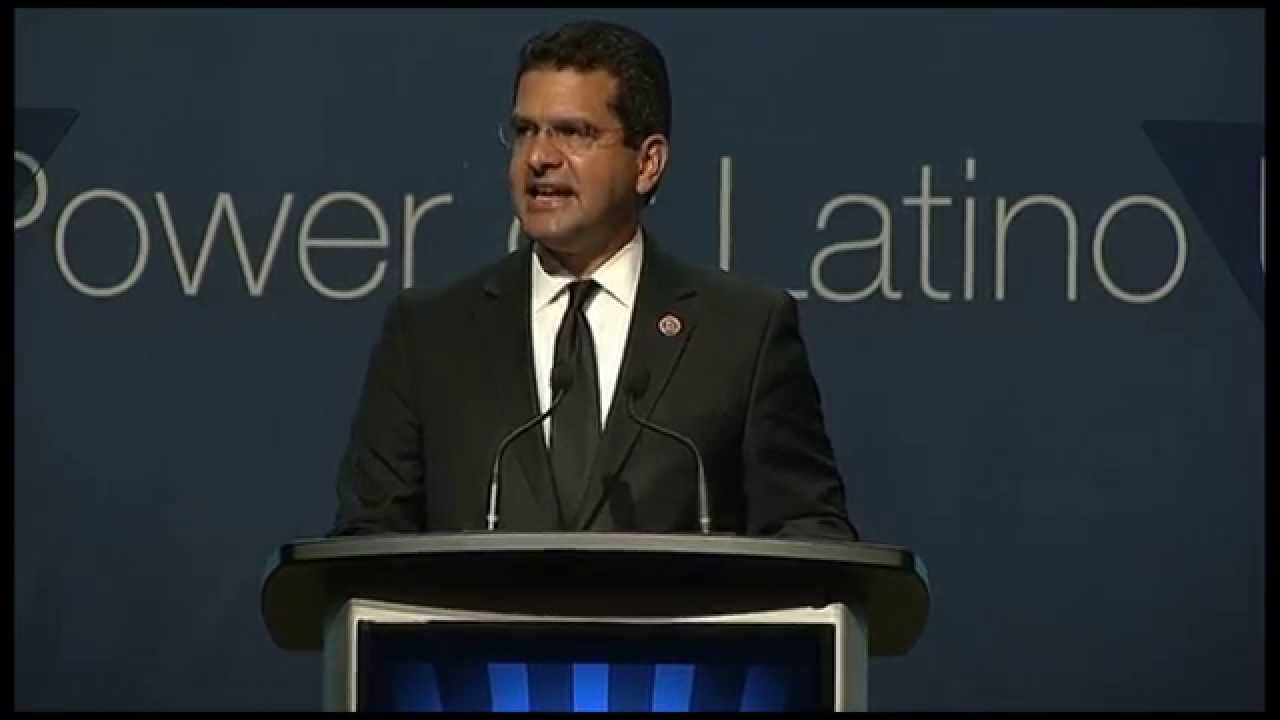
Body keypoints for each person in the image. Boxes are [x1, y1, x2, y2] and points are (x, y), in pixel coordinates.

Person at [330, 20, 856, 540]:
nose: (539, 158)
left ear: (647, 163)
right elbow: (372, 541)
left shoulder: (744, 333)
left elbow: (806, 529)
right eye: (525, 131)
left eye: (574, 132)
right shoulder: (428, 334)